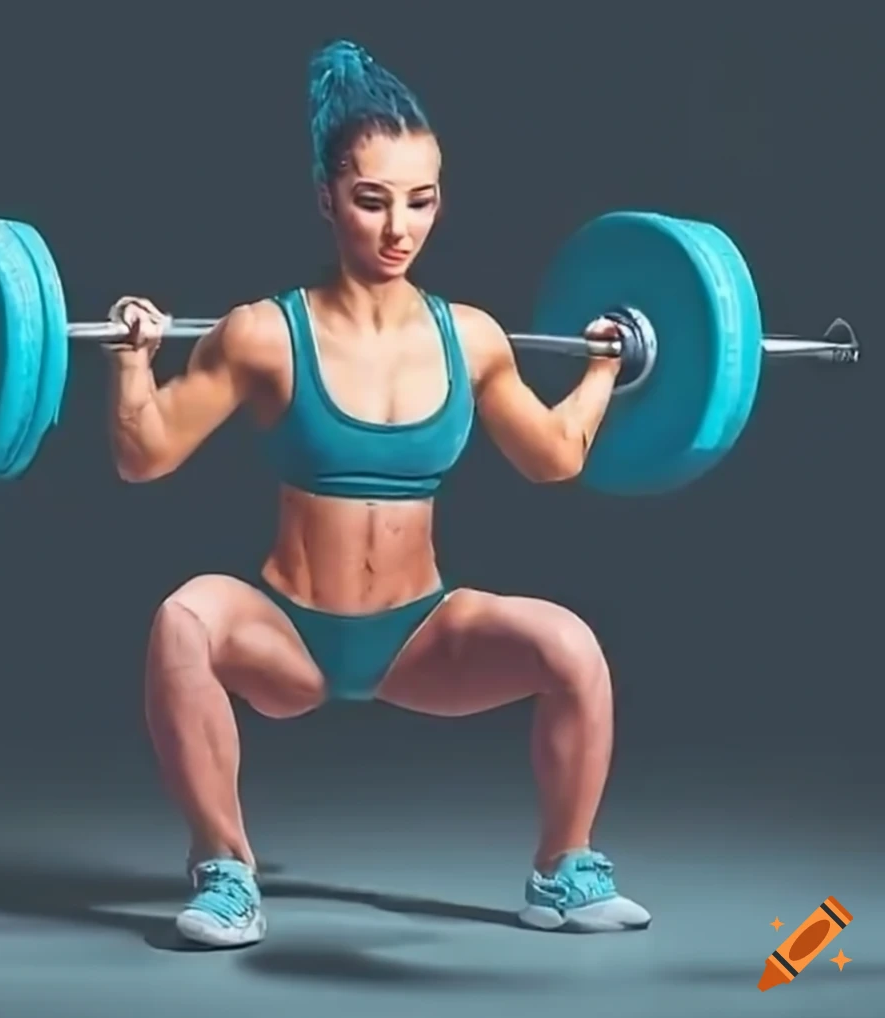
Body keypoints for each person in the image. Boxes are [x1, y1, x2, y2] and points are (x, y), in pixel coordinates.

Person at [104, 38, 652, 948]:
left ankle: (564, 872)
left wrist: (605, 368)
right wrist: (133, 364)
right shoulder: (263, 335)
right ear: (327, 199)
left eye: (422, 200)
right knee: (182, 622)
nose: (400, 227)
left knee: (572, 647)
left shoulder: (471, 338)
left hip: (417, 634)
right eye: (372, 200)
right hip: (290, 633)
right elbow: (144, 455)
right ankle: (225, 870)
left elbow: (554, 457)